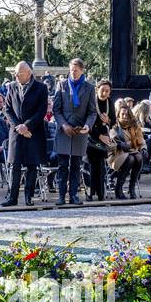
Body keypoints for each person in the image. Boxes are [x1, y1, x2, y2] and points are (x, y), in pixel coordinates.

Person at [0, 61, 49, 206]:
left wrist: (26, 126)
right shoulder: (12, 86)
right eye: (15, 73)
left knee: (32, 166)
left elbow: (41, 111)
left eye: (19, 73)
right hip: (16, 133)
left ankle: (29, 197)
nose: (16, 75)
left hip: (33, 132)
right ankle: (12, 198)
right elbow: (7, 109)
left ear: (29, 73)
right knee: (14, 166)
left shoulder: (41, 88)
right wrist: (18, 127)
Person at [52, 58, 97, 205]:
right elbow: (56, 109)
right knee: (62, 165)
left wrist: (87, 126)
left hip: (80, 131)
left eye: (76, 70)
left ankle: (74, 195)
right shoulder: (62, 84)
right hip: (64, 130)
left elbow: (92, 112)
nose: (73, 73)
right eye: (71, 70)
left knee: (76, 166)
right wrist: (64, 125)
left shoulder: (89, 88)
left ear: (82, 71)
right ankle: (61, 196)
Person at [85, 78, 116, 201]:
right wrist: (99, 136)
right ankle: (89, 193)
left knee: (101, 167)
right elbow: (87, 122)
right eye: (102, 90)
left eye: (107, 91)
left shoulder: (110, 103)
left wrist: (108, 120)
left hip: (103, 139)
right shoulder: (91, 101)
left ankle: (100, 193)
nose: (104, 93)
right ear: (97, 89)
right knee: (90, 167)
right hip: (91, 137)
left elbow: (114, 121)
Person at [108, 101, 145, 199]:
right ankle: (118, 188)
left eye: (126, 114)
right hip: (116, 154)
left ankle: (132, 187)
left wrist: (143, 148)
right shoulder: (114, 126)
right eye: (122, 114)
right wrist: (119, 145)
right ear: (118, 114)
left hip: (132, 151)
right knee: (131, 159)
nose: (124, 116)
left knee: (139, 157)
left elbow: (141, 140)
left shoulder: (134, 125)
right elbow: (109, 144)